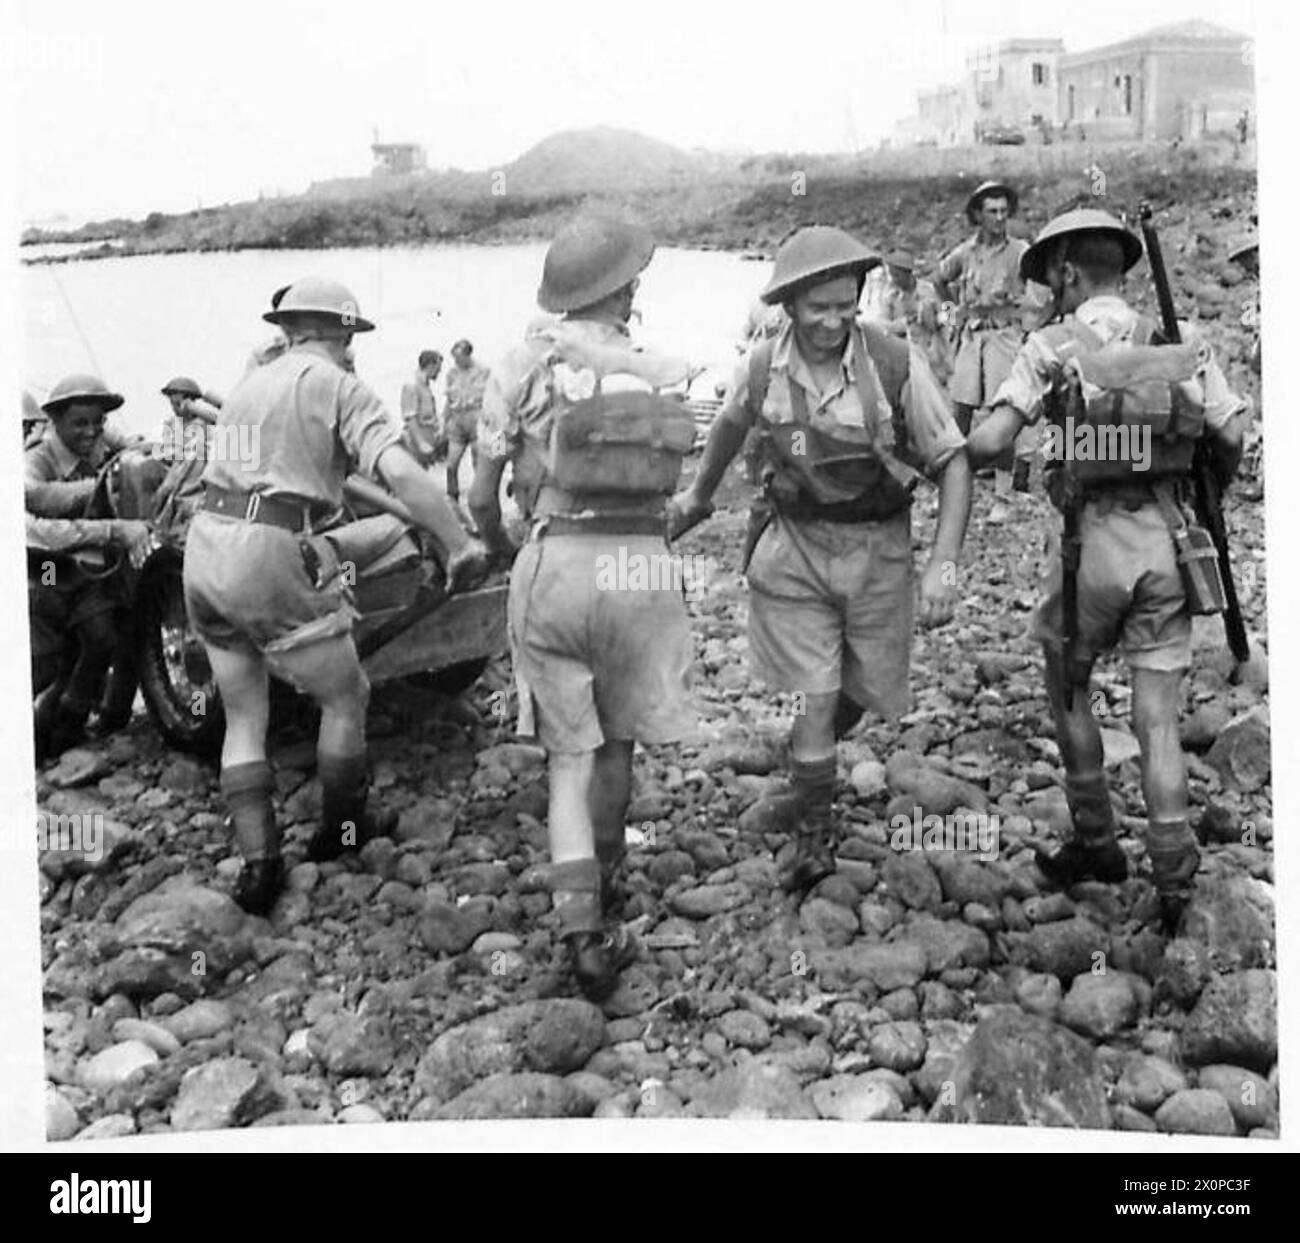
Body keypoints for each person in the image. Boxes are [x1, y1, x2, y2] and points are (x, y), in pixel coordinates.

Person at [965, 208, 1247, 927]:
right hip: (1169, 545)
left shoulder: (1050, 346)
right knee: (1158, 719)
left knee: (1070, 685)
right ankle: (1174, 879)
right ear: (1121, 270)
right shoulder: (1178, 342)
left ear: (1066, 272)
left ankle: (1097, 841)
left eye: (1049, 280)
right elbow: (1232, 435)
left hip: (1086, 550)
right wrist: (1196, 483)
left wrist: (959, 449)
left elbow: (991, 441)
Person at [669, 226, 971, 893]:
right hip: (796, 549)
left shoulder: (894, 363)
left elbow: (953, 461)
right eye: (817, 309)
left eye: (845, 306)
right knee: (817, 692)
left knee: (860, 693)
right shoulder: (760, 367)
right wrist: (697, 495)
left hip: (879, 550)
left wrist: (943, 564)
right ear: (789, 306)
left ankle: (809, 759)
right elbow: (729, 425)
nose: (833, 322)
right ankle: (813, 835)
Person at [182, 277, 488, 915]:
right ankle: (340, 831)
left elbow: (260, 472)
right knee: (346, 696)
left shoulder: (248, 388)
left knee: (244, 715)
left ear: (288, 329)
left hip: (206, 547)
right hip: (268, 552)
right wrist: (458, 543)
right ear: (345, 335)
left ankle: (260, 867)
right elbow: (400, 470)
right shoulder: (339, 386)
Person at [469, 213, 698, 999]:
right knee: (617, 741)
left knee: (568, 759)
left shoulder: (521, 363)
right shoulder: (654, 368)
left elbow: (482, 491)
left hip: (557, 558)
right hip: (641, 567)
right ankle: (610, 883)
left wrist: (500, 541)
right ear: (625, 290)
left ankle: (582, 936)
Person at [25, 375, 148, 759]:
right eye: (80, 423)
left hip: (85, 572)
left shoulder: (100, 443)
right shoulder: (34, 461)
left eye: (98, 421)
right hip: (44, 570)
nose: (91, 431)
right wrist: (109, 521)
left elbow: (138, 448)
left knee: (101, 639)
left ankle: (68, 729)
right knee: (43, 663)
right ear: (55, 421)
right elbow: (34, 528)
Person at [937, 181, 1048, 505]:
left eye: (1003, 211)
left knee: (1004, 409)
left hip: (1005, 336)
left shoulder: (1020, 252)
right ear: (978, 215)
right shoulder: (966, 252)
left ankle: (1004, 492)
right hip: (972, 336)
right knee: (960, 408)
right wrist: (952, 315)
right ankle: (953, 478)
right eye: (992, 212)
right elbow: (940, 279)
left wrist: (1030, 328)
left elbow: (1042, 292)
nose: (1000, 218)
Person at [865, 248, 950, 384]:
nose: (893, 279)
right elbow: (882, 325)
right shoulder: (890, 295)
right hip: (905, 356)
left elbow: (950, 316)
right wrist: (905, 323)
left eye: (897, 275)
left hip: (933, 356)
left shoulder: (929, 290)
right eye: (891, 275)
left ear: (908, 274)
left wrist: (935, 320)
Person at [443, 339, 491, 505]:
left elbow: (492, 398)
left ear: (468, 355)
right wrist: (444, 423)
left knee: (478, 464)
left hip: (476, 419)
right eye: (454, 358)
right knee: (451, 464)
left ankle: (481, 498)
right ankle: (452, 497)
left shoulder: (483, 371)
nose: (456, 361)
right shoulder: (451, 373)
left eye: (459, 358)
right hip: (457, 421)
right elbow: (448, 401)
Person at [400, 350, 444, 469]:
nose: (439, 372)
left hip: (429, 439)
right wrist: (421, 443)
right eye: (438, 368)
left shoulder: (425, 385)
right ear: (430, 366)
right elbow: (410, 417)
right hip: (416, 443)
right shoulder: (412, 385)